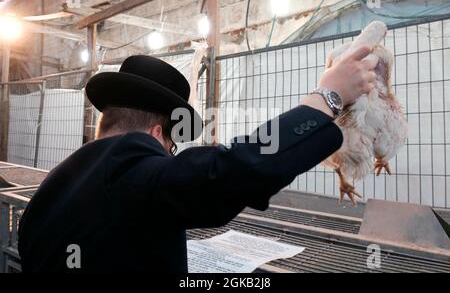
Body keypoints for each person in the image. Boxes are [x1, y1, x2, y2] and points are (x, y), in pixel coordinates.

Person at [18, 48, 378, 273]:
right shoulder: (129, 165)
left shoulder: (56, 187)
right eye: (173, 149)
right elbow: (237, 169)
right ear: (159, 134)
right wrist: (328, 97)